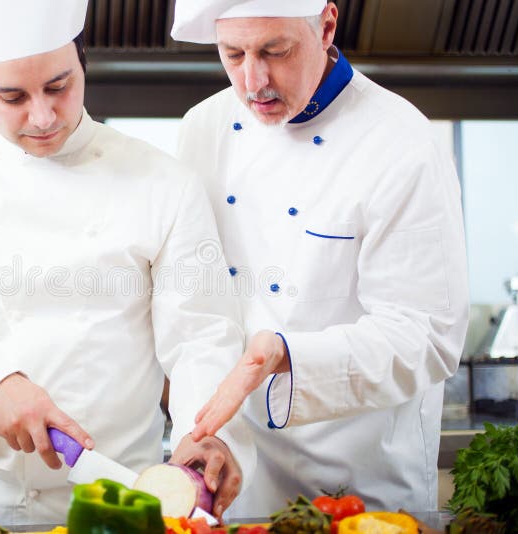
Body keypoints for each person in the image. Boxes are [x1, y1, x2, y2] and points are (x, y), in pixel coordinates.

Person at [0, 0, 254, 525]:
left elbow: (200, 338)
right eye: (12, 97)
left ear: (83, 64)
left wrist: (205, 434)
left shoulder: (163, 183)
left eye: (59, 86)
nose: (44, 116)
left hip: (117, 498)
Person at [171, 0, 470, 516]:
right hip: (238, 472)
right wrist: (199, 426)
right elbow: (196, 306)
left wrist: (289, 356)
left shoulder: (402, 141)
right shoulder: (204, 128)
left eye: (275, 50)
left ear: (327, 26)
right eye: (233, 54)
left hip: (362, 476)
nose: (253, 80)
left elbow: (427, 334)